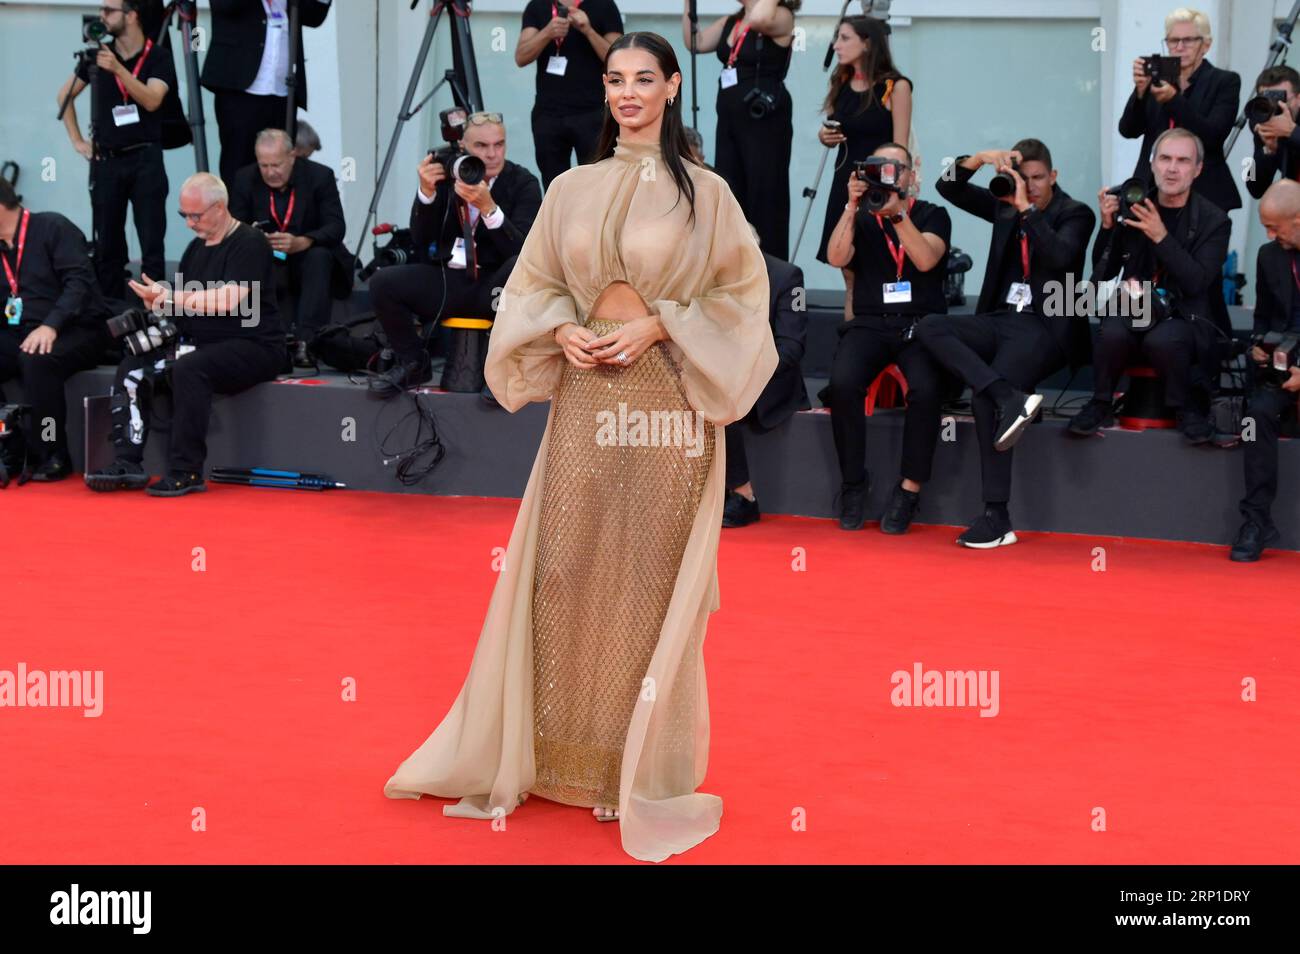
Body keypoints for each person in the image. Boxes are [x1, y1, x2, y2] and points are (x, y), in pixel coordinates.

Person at [383, 32, 777, 863]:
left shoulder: (707, 195)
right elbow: (531, 286)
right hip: (587, 396)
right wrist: (560, 327)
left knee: (645, 578)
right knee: (563, 569)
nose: (628, 92)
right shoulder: (568, 186)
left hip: (669, 398)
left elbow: (742, 299)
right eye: (615, 79)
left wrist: (660, 324)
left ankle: (623, 769)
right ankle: (550, 757)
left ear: (673, 87)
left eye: (644, 79)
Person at [917, 139, 1095, 548]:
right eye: (1022, 180)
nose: (1030, 187)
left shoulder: (1075, 213)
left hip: (1047, 325)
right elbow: (947, 186)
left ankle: (997, 517)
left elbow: (1062, 256)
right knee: (930, 327)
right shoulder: (1003, 203)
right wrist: (978, 160)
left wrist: (1026, 211)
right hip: (1000, 318)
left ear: (1054, 176)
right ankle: (1007, 395)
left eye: (1037, 179)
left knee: (983, 402)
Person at [84, 173, 285, 496]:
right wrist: (158, 304)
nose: (190, 223)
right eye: (184, 216)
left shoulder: (249, 242)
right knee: (132, 366)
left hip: (255, 345)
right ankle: (127, 461)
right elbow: (186, 307)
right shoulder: (195, 249)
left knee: (191, 369)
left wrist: (172, 296)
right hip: (198, 342)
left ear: (219, 208)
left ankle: (186, 470)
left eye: (196, 215)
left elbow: (227, 299)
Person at [1067, 128, 1230, 443]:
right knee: (1111, 332)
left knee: (1163, 340)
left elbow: (1198, 281)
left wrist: (1161, 237)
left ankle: (1185, 409)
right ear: (1152, 164)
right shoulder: (1135, 203)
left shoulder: (1215, 220)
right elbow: (1106, 268)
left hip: (1184, 313)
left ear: (1197, 170)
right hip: (1135, 305)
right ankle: (1101, 403)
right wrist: (1107, 225)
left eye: (1183, 161)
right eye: (1165, 159)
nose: (1172, 168)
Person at [823, 143, 952, 533]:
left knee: (927, 390)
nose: (890, 174)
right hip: (871, 323)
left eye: (897, 167)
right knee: (842, 385)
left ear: (911, 176)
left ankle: (909, 489)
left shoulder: (933, 214)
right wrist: (849, 206)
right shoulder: (861, 216)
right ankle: (853, 483)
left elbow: (926, 259)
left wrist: (897, 215)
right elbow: (836, 257)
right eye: (881, 167)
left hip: (920, 325)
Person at [366, 112, 542, 397]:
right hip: (450, 282)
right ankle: (414, 362)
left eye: (499, 145)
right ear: (462, 146)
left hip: (495, 288)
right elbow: (421, 240)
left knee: (517, 266)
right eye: (482, 147)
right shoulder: (449, 174)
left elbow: (523, 252)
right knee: (383, 282)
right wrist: (426, 194)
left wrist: (489, 210)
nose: (492, 154)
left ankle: (504, 372)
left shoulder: (523, 182)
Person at [1118, 7, 1239, 345]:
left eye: (1188, 40)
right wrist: (1141, 91)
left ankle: (1211, 346)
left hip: (1205, 193)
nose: (1180, 47)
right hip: (1154, 190)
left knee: (1201, 279)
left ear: (1206, 44)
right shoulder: (1159, 80)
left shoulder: (1224, 82)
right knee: (1146, 263)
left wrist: (1174, 101)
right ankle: (1141, 335)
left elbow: (1213, 134)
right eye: (1173, 40)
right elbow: (1128, 129)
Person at [57, 0, 176, 301]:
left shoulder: (158, 56)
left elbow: (151, 100)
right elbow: (64, 97)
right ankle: (110, 313)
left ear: (131, 15)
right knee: (107, 242)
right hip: (107, 159)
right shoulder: (97, 56)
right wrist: (78, 142)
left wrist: (119, 70)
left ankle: (154, 315)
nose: (102, 16)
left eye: (108, 10)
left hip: (145, 157)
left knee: (151, 241)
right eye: (101, 10)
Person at [0, 177, 111, 481]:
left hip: (77, 328)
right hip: (19, 329)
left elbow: (79, 284)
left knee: (37, 359)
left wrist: (52, 324)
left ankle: (52, 452)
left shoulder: (52, 227)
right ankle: (7, 444)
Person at [815, 16, 912, 323]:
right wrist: (824, 137)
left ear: (867, 42)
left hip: (880, 185)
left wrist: (899, 193)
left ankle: (883, 335)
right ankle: (853, 339)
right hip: (845, 183)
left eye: (844, 38)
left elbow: (901, 148)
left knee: (880, 265)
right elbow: (836, 129)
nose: (836, 45)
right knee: (849, 270)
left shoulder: (895, 87)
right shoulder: (841, 82)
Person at [683, 0, 797, 260]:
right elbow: (696, 42)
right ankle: (734, 269)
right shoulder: (731, 20)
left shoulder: (781, 15)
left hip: (764, 122)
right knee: (730, 190)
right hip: (730, 120)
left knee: (765, 196)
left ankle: (770, 271)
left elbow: (759, 19)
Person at [229, 128, 350, 365]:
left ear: (292, 156)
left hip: (308, 253)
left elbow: (336, 226)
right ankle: (272, 341)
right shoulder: (245, 178)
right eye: (264, 166)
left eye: (276, 165)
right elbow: (234, 226)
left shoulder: (319, 176)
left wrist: (303, 241)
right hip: (269, 255)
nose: (270, 172)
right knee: (253, 259)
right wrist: (255, 237)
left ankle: (308, 341)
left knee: (319, 257)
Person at [720, 222, 809, 528]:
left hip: (771, 380)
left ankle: (744, 495)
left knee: (721, 397)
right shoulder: (715, 279)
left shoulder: (788, 277)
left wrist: (745, 369)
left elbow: (791, 348)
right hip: (724, 370)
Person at [1230, 180, 1300, 562]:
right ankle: (1256, 521)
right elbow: (1263, 319)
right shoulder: (1270, 256)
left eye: (1275, 227)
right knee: (1255, 416)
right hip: (1281, 364)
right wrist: (1259, 346)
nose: (1270, 235)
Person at [201, 0, 333, 185]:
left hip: (282, 89)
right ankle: (239, 214)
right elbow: (225, 6)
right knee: (239, 166)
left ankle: (275, 214)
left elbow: (314, 16)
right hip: (240, 86)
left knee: (281, 167)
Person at [517, 0, 625, 191]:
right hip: (548, 114)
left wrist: (588, 30)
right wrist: (547, 32)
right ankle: (558, 221)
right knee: (553, 185)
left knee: (597, 184)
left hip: (593, 113)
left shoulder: (604, 5)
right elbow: (521, 57)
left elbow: (620, 60)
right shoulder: (537, 6)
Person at [1246, 65, 1300, 200]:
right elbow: (1254, 188)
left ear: (1298, 99)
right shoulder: (1263, 120)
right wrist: (1269, 149)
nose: (1275, 106)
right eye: (1267, 100)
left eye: (1281, 99)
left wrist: (1292, 132)